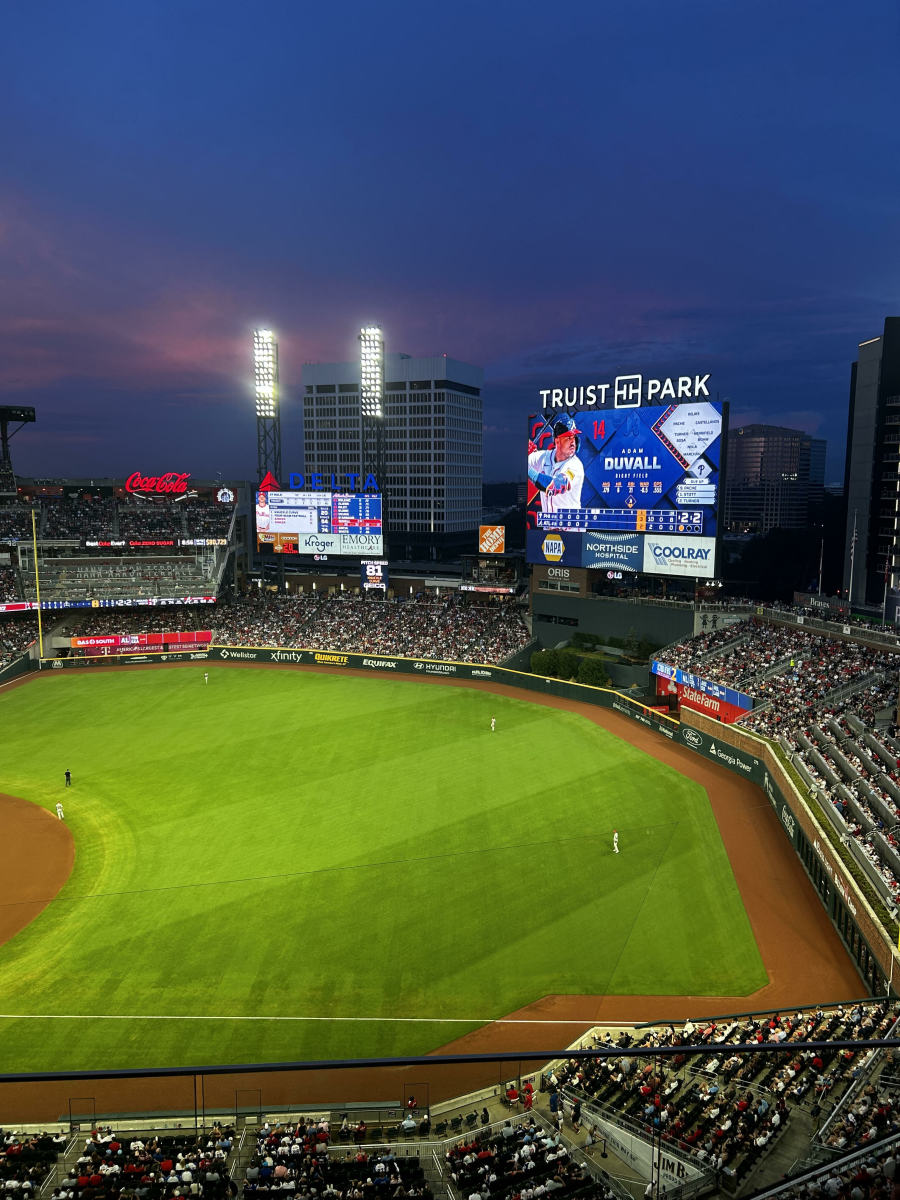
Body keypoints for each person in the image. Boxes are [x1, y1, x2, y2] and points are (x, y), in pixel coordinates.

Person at [528, 414, 584, 513]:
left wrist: (529, 471)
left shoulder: (576, 465)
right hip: (548, 525)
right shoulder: (543, 457)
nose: (573, 442)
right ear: (557, 441)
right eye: (568, 438)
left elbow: (555, 485)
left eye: (573, 437)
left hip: (571, 527)